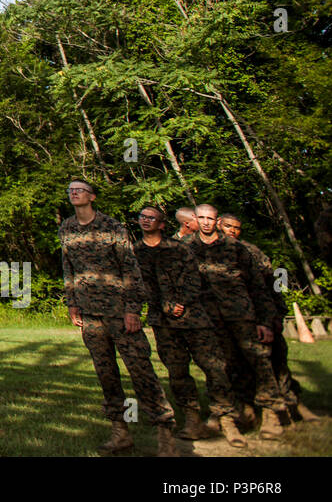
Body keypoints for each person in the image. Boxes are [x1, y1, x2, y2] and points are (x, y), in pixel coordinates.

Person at [59, 179, 177, 456]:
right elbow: (68, 267)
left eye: (80, 190)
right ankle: (120, 432)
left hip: (119, 311)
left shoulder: (111, 226)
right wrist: (72, 302)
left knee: (140, 370)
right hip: (90, 314)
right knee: (106, 374)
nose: (74, 193)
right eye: (71, 190)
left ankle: (164, 432)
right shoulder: (66, 228)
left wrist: (133, 309)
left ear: (92, 196)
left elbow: (130, 268)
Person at [134, 206, 244, 447]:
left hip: (194, 318)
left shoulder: (179, 248)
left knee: (214, 367)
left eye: (152, 218)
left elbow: (195, 278)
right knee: (177, 372)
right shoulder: (135, 252)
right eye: (142, 217)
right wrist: (160, 307)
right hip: (163, 323)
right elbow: (137, 286)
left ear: (162, 224)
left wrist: (181, 302)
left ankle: (226, 418)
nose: (146, 220)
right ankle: (192, 418)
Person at [187, 204, 286, 439]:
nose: (206, 222)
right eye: (201, 218)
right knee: (221, 367)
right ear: (195, 220)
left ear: (217, 221)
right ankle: (230, 413)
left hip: (242, 316)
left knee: (260, 362)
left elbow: (258, 286)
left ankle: (271, 413)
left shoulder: (237, 248)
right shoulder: (185, 248)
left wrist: (265, 321)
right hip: (209, 320)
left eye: (210, 218)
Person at [219, 213, 319, 424]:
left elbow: (273, 284)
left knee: (277, 362)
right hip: (228, 320)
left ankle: (292, 403)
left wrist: (275, 314)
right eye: (228, 226)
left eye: (236, 228)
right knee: (237, 366)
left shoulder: (251, 251)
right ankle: (248, 408)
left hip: (261, 315)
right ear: (219, 225)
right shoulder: (207, 252)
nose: (232, 231)